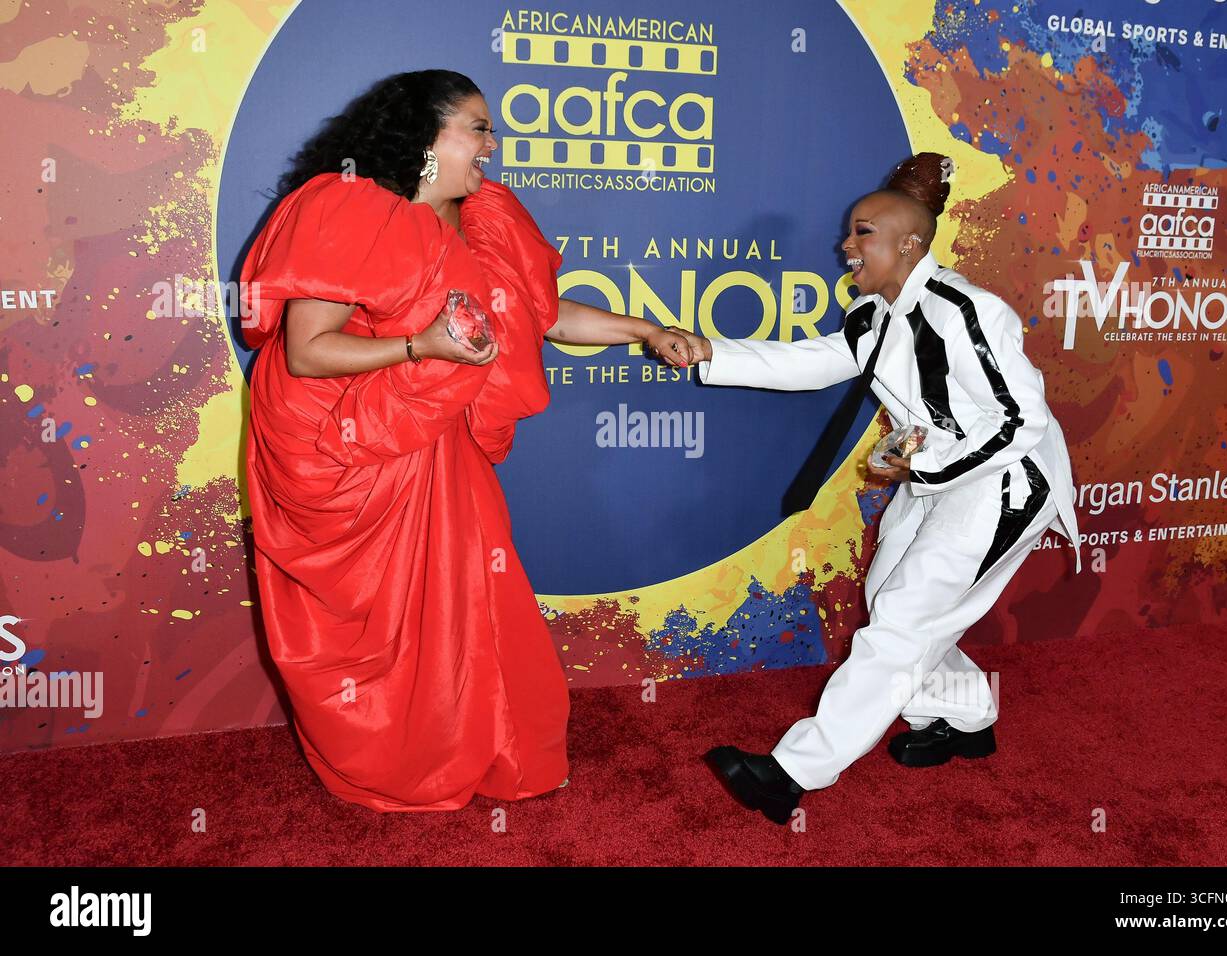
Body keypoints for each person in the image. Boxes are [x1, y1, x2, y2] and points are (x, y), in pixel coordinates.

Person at [239, 69, 690, 812]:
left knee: (476, 601)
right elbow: (305, 351)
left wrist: (646, 330)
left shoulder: (487, 218)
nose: (492, 142)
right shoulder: (347, 208)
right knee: (387, 625)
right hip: (351, 446)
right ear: (424, 136)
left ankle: (489, 749)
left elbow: (540, 316)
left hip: (435, 444)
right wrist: (422, 346)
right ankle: (400, 764)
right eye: (477, 127)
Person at [672, 152, 1083, 824]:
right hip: (937, 476)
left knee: (904, 618)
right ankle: (967, 714)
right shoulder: (871, 317)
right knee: (894, 598)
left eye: (862, 232)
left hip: (1006, 481)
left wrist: (926, 471)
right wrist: (708, 350)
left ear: (909, 244)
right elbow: (811, 363)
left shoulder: (968, 312)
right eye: (850, 233)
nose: (846, 246)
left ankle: (792, 772)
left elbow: (1020, 421)